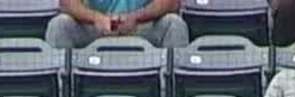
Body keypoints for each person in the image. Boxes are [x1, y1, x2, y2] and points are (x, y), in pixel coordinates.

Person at [44, 0, 189, 49]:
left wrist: (135, 18)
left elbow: (170, 3)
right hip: (98, 27)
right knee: (59, 24)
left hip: (140, 26)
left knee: (174, 24)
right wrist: (96, 18)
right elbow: (67, 3)